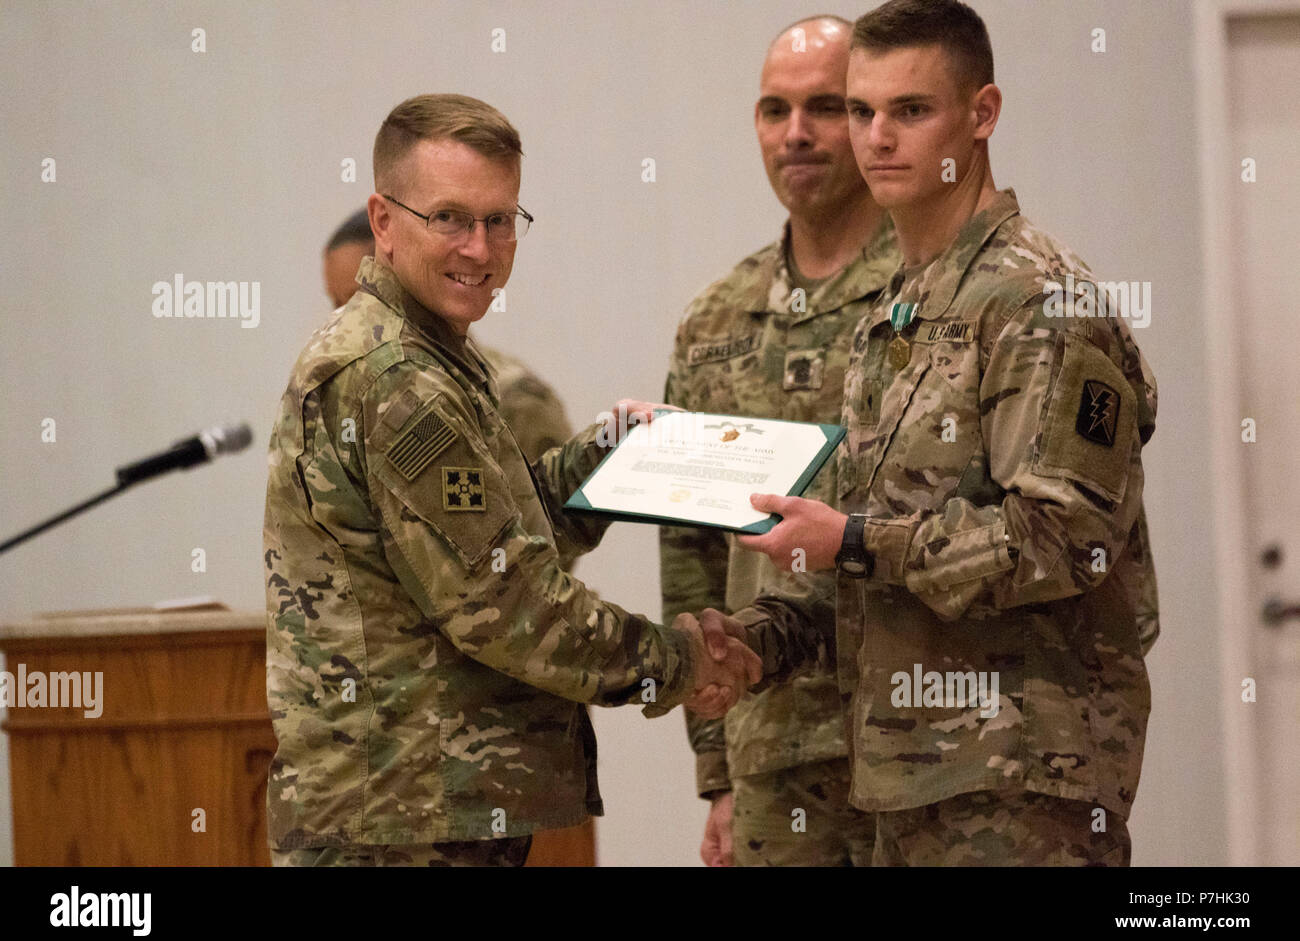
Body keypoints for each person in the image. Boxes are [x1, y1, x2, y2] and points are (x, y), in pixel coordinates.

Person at [703, 0, 1159, 866]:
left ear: (981, 114)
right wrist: (749, 646)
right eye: (862, 111)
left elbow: (1066, 540)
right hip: (907, 776)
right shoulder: (904, 307)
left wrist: (853, 542)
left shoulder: (1037, 300)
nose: (877, 138)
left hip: (1022, 776)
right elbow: (864, 559)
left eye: (910, 111)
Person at [264, 93, 759, 866]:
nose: (479, 248)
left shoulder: (432, 356)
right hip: (400, 821)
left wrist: (611, 457)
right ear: (385, 221)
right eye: (450, 218)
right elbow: (504, 601)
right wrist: (681, 661)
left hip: (423, 806)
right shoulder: (397, 380)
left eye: (501, 220)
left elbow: (499, 536)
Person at [661, 16, 897, 867]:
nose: (794, 133)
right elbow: (688, 551)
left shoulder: (938, 292)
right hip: (775, 747)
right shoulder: (715, 321)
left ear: (870, 120)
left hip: (930, 740)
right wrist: (716, 769)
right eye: (773, 110)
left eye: (823, 107)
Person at [323, 209, 575, 465]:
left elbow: (553, 501)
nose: (345, 318)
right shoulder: (353, 400)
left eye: (358, 297)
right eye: (337, 303)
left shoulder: (515, 399)